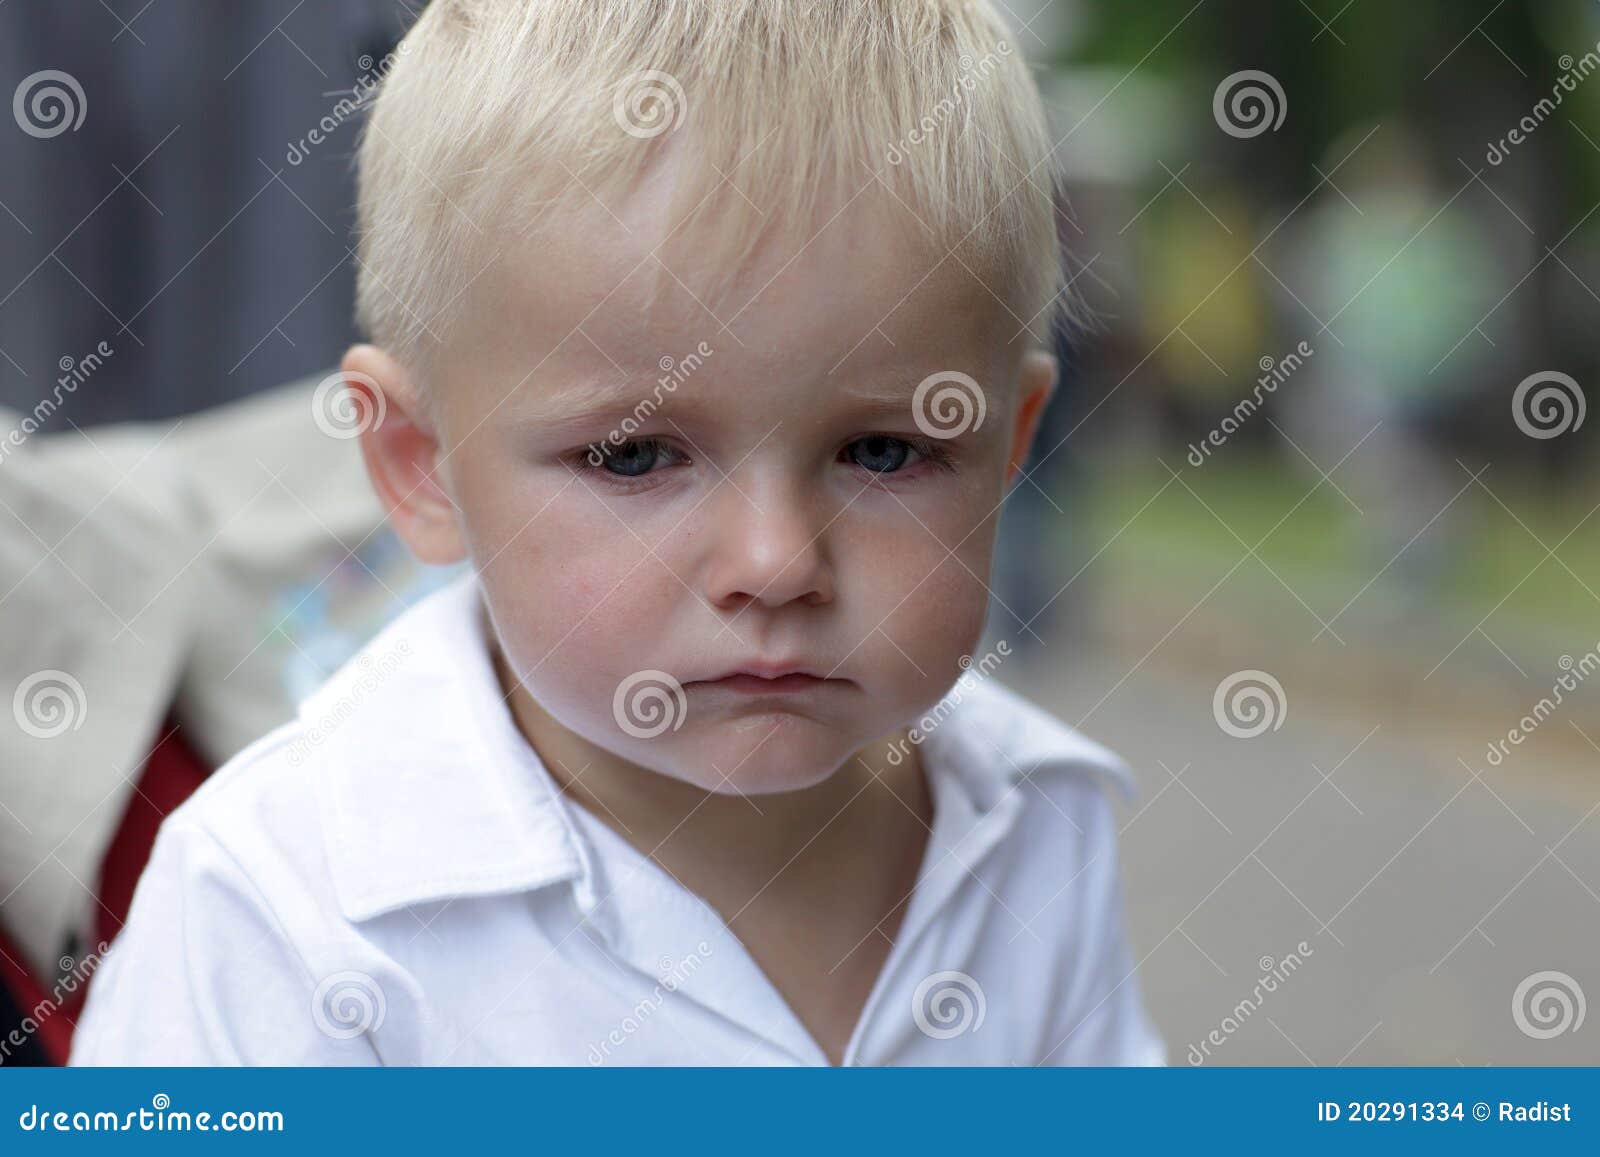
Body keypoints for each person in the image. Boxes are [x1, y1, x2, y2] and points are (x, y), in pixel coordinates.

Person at [70, 0, 1163, 1066]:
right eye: (636, 456)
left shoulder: (1036, 820)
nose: (776, 563)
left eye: (882, 452)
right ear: (421, 463)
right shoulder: (283, 904)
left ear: (1010, 445)